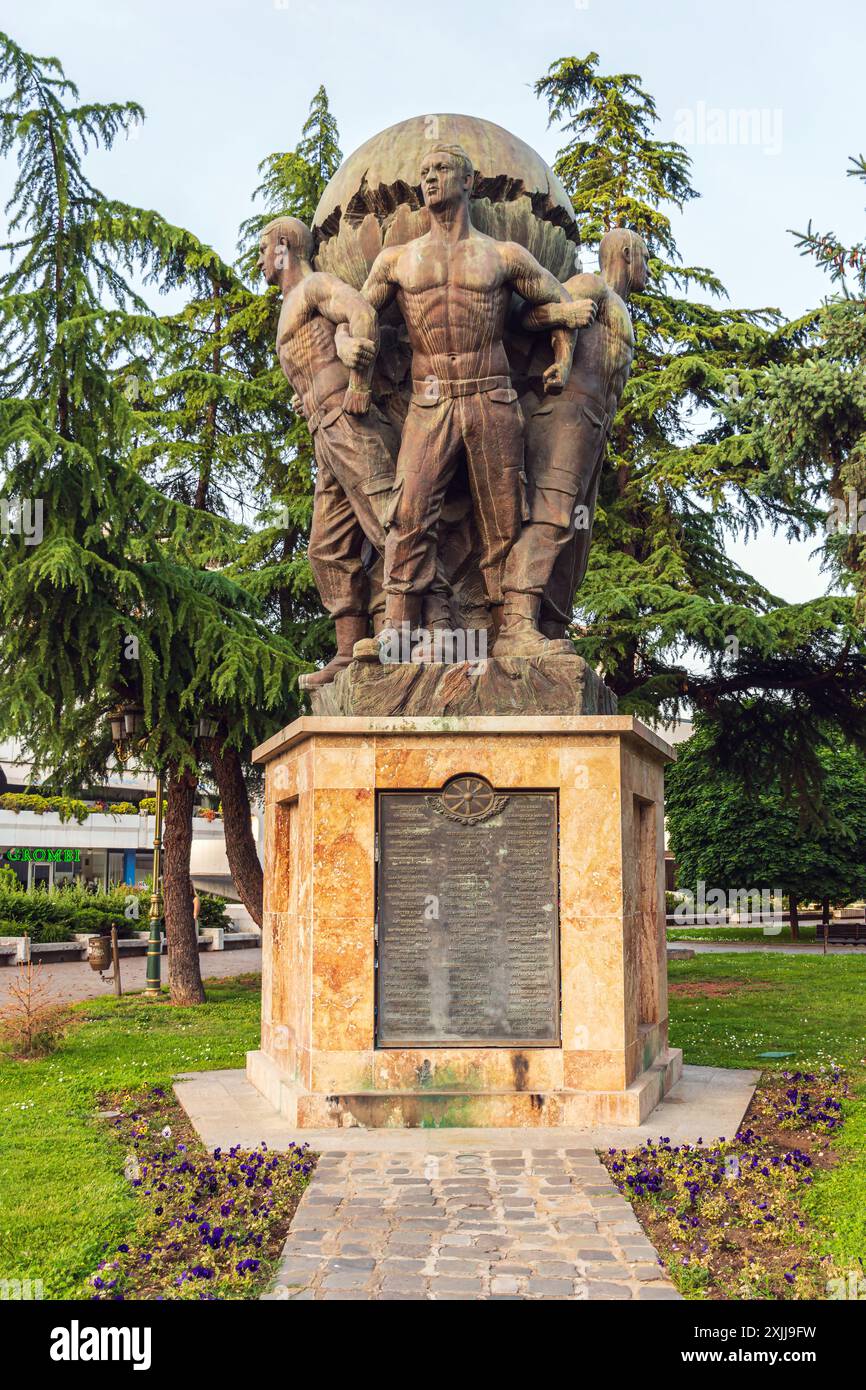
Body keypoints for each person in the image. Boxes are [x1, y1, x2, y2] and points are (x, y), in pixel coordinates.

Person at [354, 144, 574, 639]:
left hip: (492, 396)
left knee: (503, 519)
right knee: (408, 511)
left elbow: (560, 303)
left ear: (468, 181)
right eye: (424, 171)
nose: (430, 178)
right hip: (430, 401)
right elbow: (359, 314)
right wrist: (351, 347)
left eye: (442, 169)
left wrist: (562, 357)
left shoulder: (503, 255)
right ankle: (399, 630)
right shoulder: (398, 260)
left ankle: (512, 629)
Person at [257, 216, 398, 688]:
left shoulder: (315, 285)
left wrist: (359, 384)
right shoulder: (288, 305)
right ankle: (347, 650)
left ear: (283, 247)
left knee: (387, 519)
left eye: (263, 249)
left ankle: (414, 626)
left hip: (348, 418)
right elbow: (313, 362)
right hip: (323, 431)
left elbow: (362, 314)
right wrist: (306, 396)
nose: (260, 260)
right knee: (326, 547)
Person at [494, 228, 649, 656]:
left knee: (576, 535)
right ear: (627, 254)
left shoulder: (620, 307)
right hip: (567, 413)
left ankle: (551, 625)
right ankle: (515, 623)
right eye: (646, 260)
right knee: (552, 515)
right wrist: (562, 359)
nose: (648, 271)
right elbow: (531, 316)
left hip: (595, 426)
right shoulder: (592, 286)